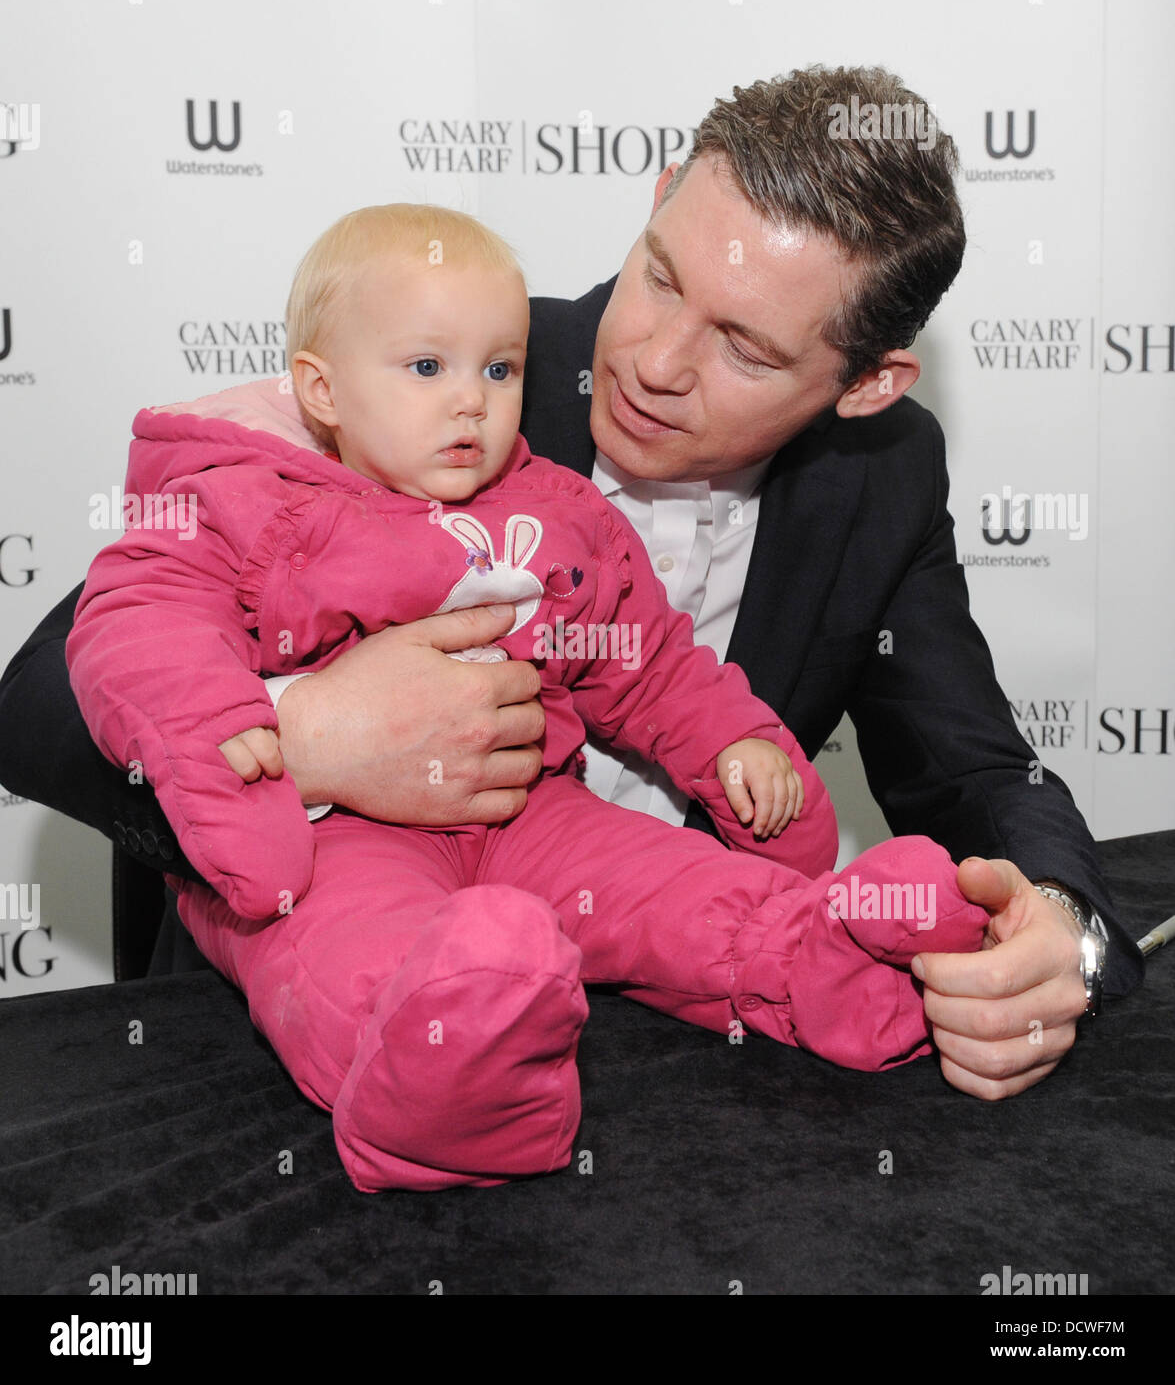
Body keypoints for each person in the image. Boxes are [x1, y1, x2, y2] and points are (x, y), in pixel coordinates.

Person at [0, 65, 1142, 1111]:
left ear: (866, 385)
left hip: (673, 1058)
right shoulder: (440, 365)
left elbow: (976, 766)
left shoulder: (884, 477)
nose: (651, 360)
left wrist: (1063, 932)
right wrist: (305, 734)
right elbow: (44, 697)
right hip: (278, 1048)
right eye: (659, 276)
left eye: (744, 348)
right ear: (654, 198)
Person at [62, 202, 987, 1191]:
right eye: (427, 370)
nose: (472, 402)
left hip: (539, 810)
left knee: (675, 885)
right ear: (320, 389)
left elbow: (646, 656)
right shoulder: (245, 492)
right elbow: (143, 620)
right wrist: (277, 738)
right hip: (336, 841)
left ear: (860, 381)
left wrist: (731, 746)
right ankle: (442, 1076)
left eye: (497, 372)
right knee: (340, 951)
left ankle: (827, 962)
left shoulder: (550, 506)